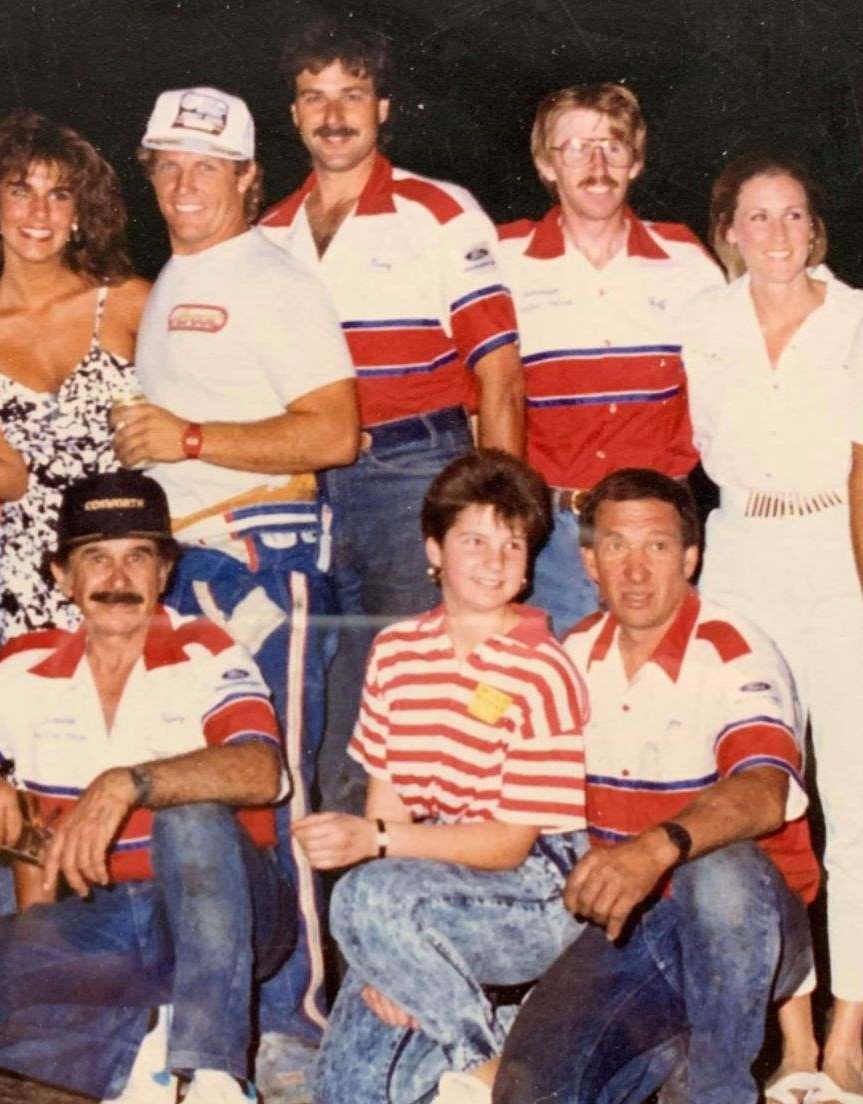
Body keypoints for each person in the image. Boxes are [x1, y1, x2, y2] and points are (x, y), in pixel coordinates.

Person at [0, 470, 296, 1104]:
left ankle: (214, 1076)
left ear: (164, 573)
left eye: (138, 558)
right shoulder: (25, 665)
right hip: (96, 922)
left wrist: (129, 783)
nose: (118, 579)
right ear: (62, 577)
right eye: (94, 559)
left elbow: (261, 771)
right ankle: (142, 1062)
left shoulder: (206, 651)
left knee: (191, 817)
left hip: (222, 913)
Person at [113, 84, 358, 1099]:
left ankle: (296, 1021)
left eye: (205, 166)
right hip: (188, 560)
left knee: (279, 778)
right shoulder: (179, 269)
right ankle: (211, 1019)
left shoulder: (269, 274)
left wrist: (193, 441)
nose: (182, 184)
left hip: (263, 555)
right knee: (206, 780)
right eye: (166, 163)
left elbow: (334, 431)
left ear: (248, 176)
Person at [259, 20, 525, 817]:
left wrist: (497, 507)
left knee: (420, 701)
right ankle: (326, 914)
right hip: (301, 486)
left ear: (384, 107)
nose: (332, 114)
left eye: (351, 94)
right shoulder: (266, 235)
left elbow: (501, 376)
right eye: (314, 97)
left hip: (415, 476)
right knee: (313, 700)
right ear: (294, 114)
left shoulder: (439, 212)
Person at [495, 469, 818, 1104]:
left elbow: (763, 790)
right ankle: (667, 1049)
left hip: (749, 927)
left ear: (692, 557)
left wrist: (655, 847)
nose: (636, 571)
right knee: (529, 1091)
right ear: (588, 560)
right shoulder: (571, 654)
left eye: (659, 547)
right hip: (634, 928)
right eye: (617, 546)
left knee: (717, 870)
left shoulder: (733, 649)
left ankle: (716, 1088)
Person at [294, 449, 588, 1104]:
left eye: (512, 544)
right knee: (345, 1090)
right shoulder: (398, 652)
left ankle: (490, 1064)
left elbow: (509, 844)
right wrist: (384, 952)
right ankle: (495, 1041)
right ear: (434, 549)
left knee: (362, 897)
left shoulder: (543, 666)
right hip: (428, 887)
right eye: (474, 539)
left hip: (540, 890)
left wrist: (375, 867)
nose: (494, 560)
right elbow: (388, 809)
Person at [684, 152, 863, 1102]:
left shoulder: (857, 320)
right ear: (731, 232)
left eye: (794, 216)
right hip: (741, 558)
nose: (779, 237)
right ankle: (791, 1038)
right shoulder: (702, 323)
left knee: (858, 807)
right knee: (761, 793)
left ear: (815, 229)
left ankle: (847, 1041)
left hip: (837, 556)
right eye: (758, 218)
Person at [495, 83, 722, 637]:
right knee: (558, 698)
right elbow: (479, 402)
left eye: (613, 147)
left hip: (658, 526)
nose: (597, 165)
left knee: (659, 693)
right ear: (547, 165)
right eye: (575, 148)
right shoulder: (504, 260)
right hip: (554, 536)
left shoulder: (685, 261)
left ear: (636, 161)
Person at [0, 109, 151, 641]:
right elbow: (9, 476)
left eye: (60, 194)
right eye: (21, 190)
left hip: (131, 560)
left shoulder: (126, 302)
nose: (40, 212)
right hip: (34, 572)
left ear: (79, 213)